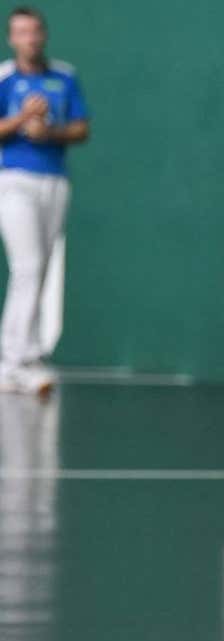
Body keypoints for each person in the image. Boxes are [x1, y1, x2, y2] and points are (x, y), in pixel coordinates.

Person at [0, 5, 88, 396]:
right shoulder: (3, 78)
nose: (29, 38)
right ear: (11, 39)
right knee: (29, 265)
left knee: (42, 267)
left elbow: (81, 128)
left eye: (35, 31)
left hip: (54, 181)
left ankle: (24, 358)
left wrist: (48, 132)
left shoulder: (65, 76)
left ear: (44, 35)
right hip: (12, 180)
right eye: (21, 32)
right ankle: (14, 360)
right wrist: (21, 121)